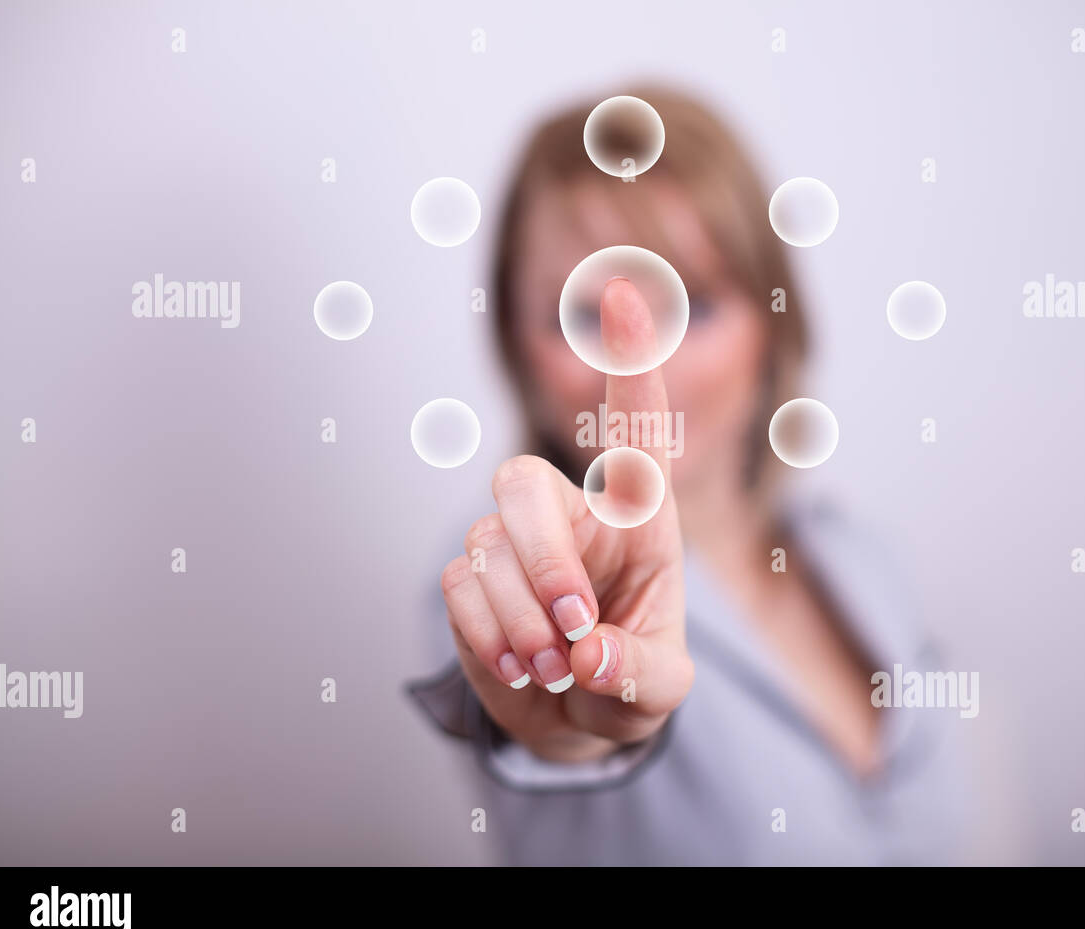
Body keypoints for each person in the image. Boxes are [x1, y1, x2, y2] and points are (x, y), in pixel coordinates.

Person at [409, 88, 971, 864]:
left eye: (695, 304)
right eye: (583, 316)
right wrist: (575, 719)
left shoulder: (862, 556)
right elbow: (551, 736)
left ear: (773, 322)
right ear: (516, 348)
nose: (640, 355)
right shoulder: (497, 571)